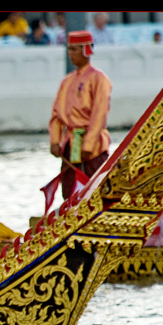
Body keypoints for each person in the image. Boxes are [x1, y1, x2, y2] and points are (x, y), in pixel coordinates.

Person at [49, 31, 112, 199]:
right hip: (70, 143)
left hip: (94, 146)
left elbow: (99, 115)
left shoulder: (99, 79)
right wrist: (55, 141)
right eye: (69, 49)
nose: (70, 54)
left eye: (74, 50)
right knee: (69, 191)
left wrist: (89, 145)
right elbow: (56, 115)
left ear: (86, 51)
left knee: (95, 189)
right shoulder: (67, 81)